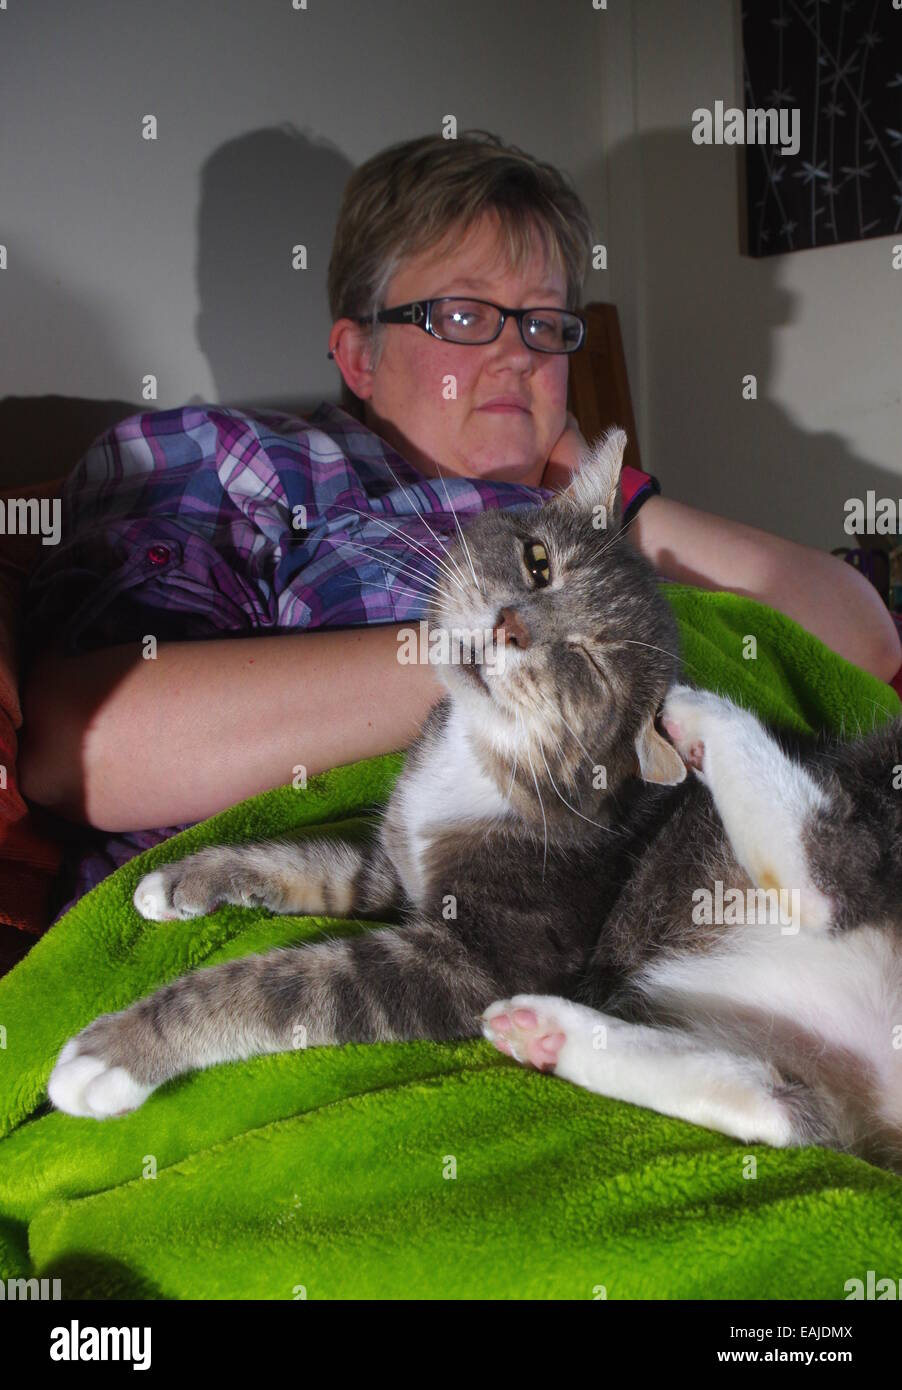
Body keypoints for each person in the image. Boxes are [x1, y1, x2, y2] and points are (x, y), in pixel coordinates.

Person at [18, 131, 902, 919]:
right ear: (360, 354)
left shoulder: (588, 523)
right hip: (308, 928)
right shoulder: (237, 459)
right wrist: (522, 669)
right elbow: (78, 750)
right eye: (465, 314)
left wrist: (602, 496)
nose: (519, 352)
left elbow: (854, 636)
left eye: (546, 323)